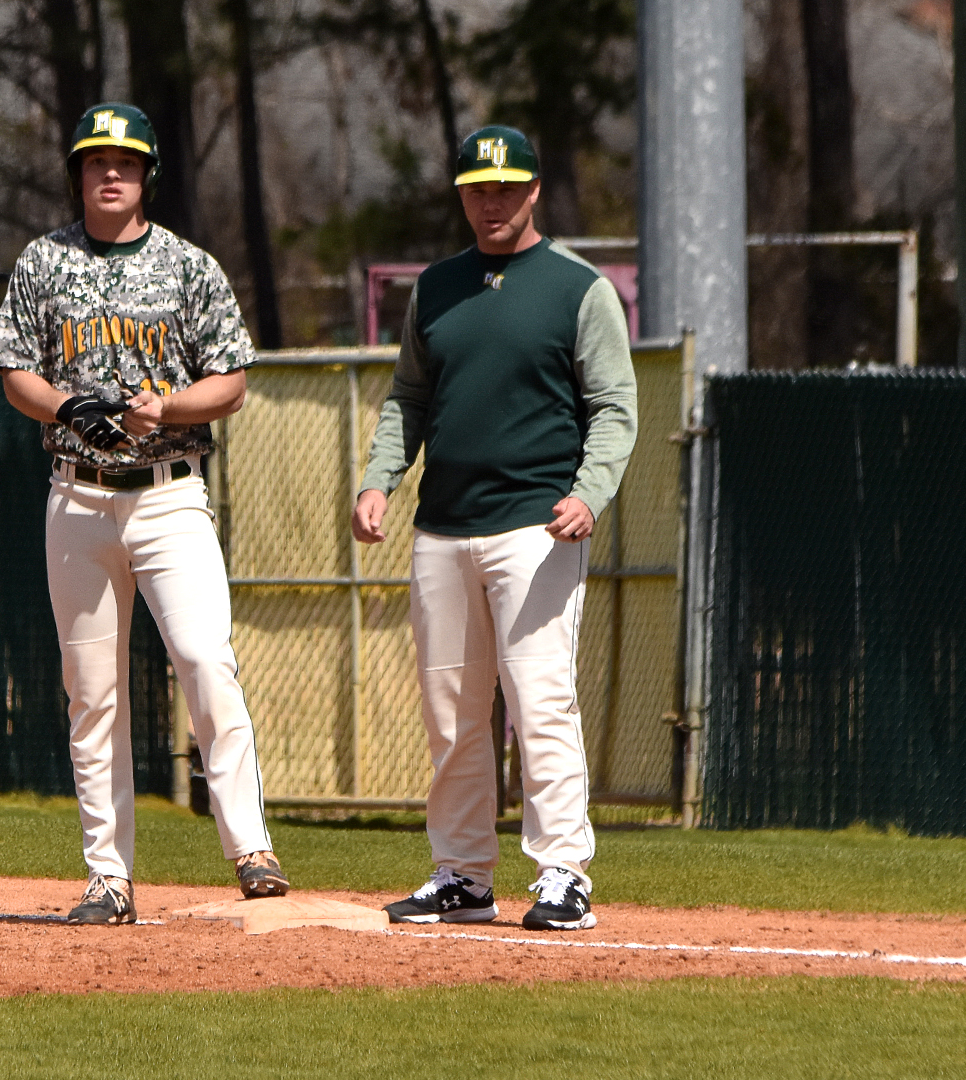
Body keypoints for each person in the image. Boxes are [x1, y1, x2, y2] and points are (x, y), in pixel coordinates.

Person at [0, 102, 289, 925]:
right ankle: (108, 877)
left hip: (170, 495)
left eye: (124, 160)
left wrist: (171, 406)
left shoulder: (189, 266)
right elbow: (15, 372)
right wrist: (63, 409)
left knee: (204, 659)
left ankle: (251, 847)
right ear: (77, 174)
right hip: (78, 498)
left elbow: (231, 380)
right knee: (92, 693)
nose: (109, 172)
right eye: (94, 161)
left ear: (147, 172)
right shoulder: (43, 262)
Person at [352, 126, 638, 931]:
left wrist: (591, 493)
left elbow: (615, 408)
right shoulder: (435, 288)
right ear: (463, 194)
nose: (493, 201)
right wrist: (380, 477)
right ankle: (462, 876)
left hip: (537, 528)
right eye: (479, 188)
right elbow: (409, 395)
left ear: (535, 189)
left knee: (539, 700)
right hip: (442, 529)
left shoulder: (579, 289)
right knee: (451, 711)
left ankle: (563, 875)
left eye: (507, 187)